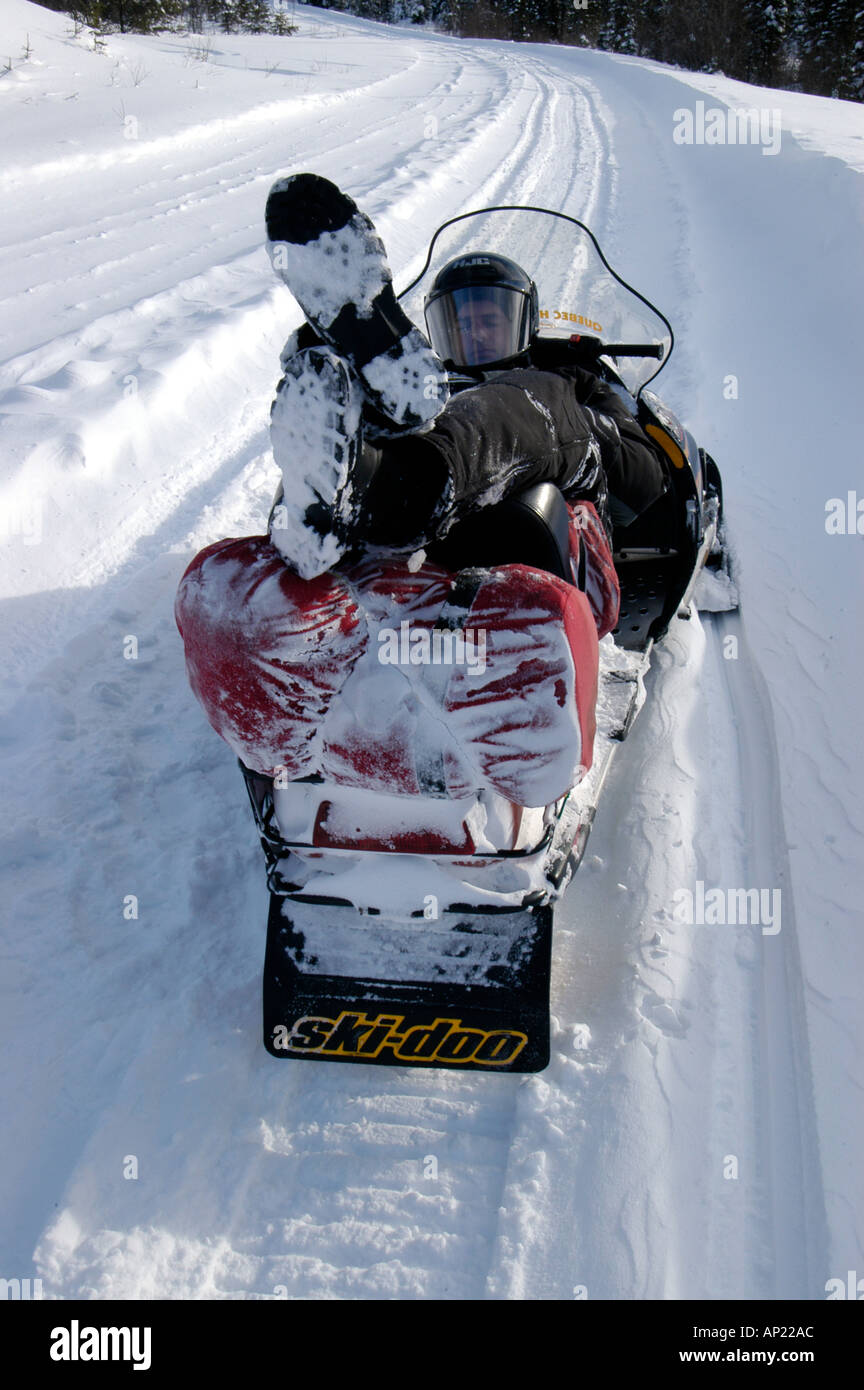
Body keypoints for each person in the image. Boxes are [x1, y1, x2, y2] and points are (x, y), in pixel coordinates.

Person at [262, 174, 667, 582]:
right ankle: (341, 486)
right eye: (460, 322)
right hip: (433, 554)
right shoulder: (433, 396)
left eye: (489, 320)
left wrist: (585, 421)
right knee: (401, 416)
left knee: (534, 396)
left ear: (523, 320)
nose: (474, 333)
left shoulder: (568, 378)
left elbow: (644, 478)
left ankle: (395, 491)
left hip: (558, 542)